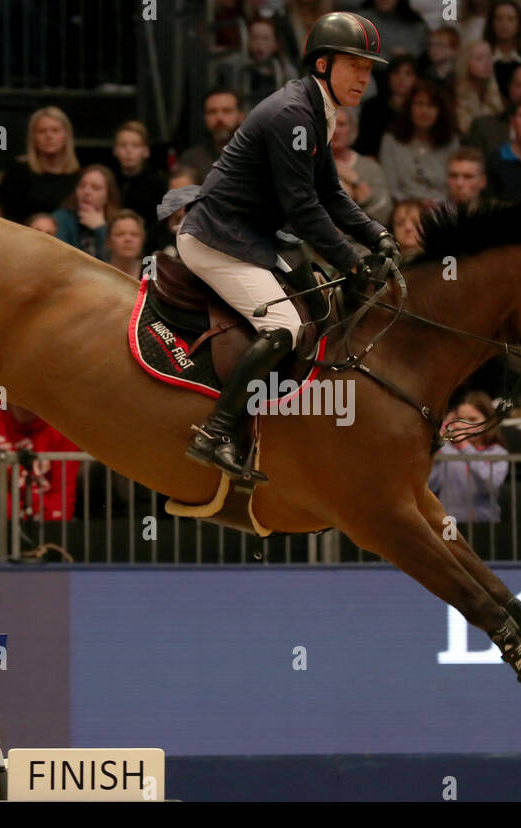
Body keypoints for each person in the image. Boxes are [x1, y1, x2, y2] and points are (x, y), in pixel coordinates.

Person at [175, 11, 399, 480]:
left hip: (250, 237)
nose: (365, 76)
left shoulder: (319, 110)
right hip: (217, 240)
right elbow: (303, 209)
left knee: (318, 309)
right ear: (322, 65)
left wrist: (376, 234)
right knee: (285, 328)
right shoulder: (292, 115)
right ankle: (215, 432)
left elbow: (332, 194)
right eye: (355, 64)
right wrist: (352, 263)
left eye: (369, 67)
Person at [0, 403, 81, 522]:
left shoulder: (64, 426)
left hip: (50, 524)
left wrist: (44, 517)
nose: (26, 402)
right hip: (0, 525)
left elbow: (63, 498)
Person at [428, 391, 509, 524]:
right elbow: (430, 485)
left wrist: (465, 447)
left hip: (485, 524)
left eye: (472, 420)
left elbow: (490, 485)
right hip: (450, 524)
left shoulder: (498, 452)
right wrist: (437, 444)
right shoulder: (447, 450)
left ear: (489, 421)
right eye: (459, 419)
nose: (463, 425)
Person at [379, 79, 459, 206]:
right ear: (409, 108)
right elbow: (391, 187)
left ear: (440, 111)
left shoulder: (451, 142)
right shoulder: (391, 141)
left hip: (444, 209)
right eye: (419, 104)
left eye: (431, 105)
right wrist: (415, 205)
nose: (424, 111)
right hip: (405, 210)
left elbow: (455, 184)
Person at [0, 106, 81, 224]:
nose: (49, 136)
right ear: (33, 137)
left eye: (55, 130)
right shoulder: (17, 171)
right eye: (42, 131)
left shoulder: (78, 175)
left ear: (66, 135)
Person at [216, 16, 300, 114]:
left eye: (266, 39)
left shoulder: (286, 71)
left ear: (275, 44)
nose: (260, 43)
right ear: (247, 41)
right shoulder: (236, 66)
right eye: (255, 38)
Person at [111, 120, 167, 251]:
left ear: (146, 151)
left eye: (135, 145)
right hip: (114, 246)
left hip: (150, 247)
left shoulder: (159, 183)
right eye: (123, 145)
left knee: (150, 270)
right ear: (115, 150)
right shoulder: (109, 180)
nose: (129, 150)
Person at [332, 105, 392, 226]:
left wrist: (357, 182)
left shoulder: (370, 167)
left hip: (362, 241)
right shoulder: (311, 164)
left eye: (342, 124)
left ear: (352, 129)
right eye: (330, 123)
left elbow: (383, 211)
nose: (336, 130)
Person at [53, 165, 120, 262]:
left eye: (95, 188)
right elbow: (61, 260)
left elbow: (114, 265)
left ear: (108, 195)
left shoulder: (118, 223)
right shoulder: (62, 219)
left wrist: (100, 229)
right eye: (82, 186)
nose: (86, 192)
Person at [178, 88, 244, 183]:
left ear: (240, 116)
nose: (219, 118)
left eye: (227, 111)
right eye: (212, 112)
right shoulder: (192, 159)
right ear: (204, 117)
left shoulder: (255, 154)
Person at [453, 39, 505, 136]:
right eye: (479, 58)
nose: (487, 63)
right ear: (466, 62)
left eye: (489, 57)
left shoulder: (499, 94)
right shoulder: (453, 96)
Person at [106, 210, 145, 279]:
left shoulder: (154, 277)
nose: (128, 239)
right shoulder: (99, 275)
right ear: (108, 241)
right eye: (120, 234)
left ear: (142, 240)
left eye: (134, 234)